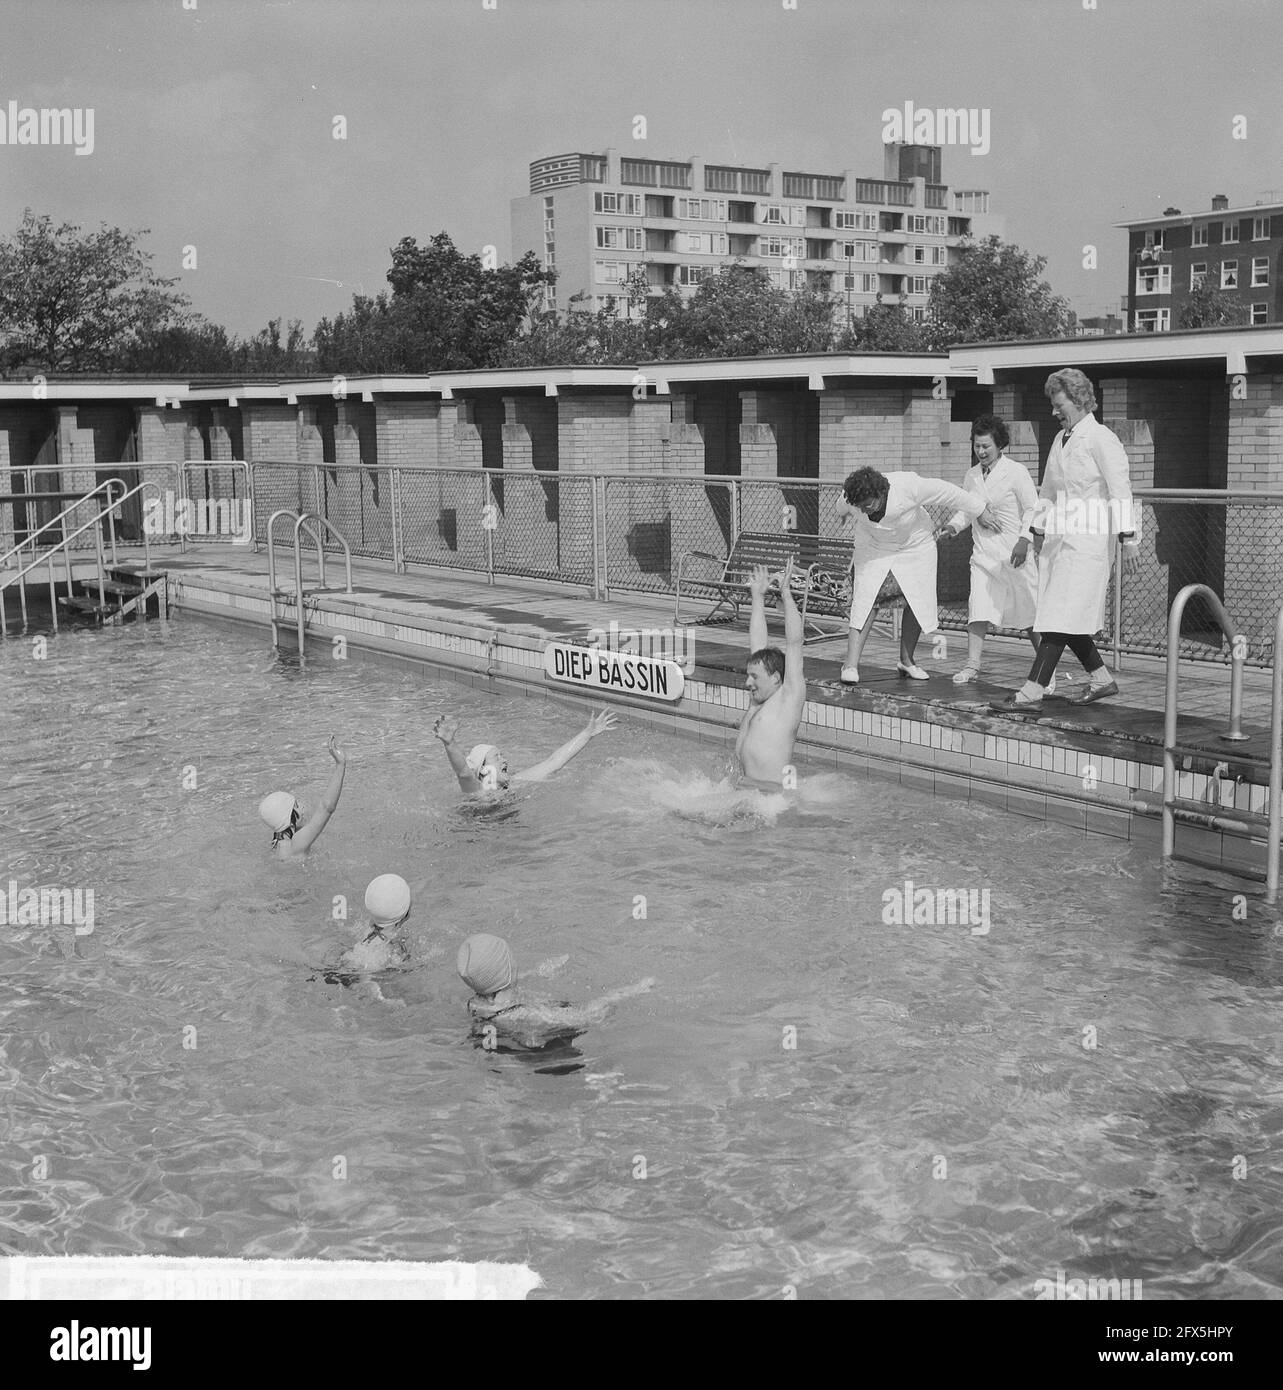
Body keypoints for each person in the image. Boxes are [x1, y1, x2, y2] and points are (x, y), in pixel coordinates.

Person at [990, 369, 1142, 711]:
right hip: (1060, 541)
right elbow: (1048, 492)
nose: (1054, 411)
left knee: (1059, 616)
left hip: (1088, 544)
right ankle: (1101, 679)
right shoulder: (1061, 439)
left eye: (1059, 405)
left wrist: (1129, 538)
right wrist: (1036, 531)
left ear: (1080, 400)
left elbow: (1121, 490)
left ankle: (1032, 690)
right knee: (1065, 614)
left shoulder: (1102, 438)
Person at [836, 467, 1000, 684]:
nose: (864, 511)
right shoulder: (850, 497)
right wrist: (843, 513)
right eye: (860, 507)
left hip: (914, 545)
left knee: (916, 598)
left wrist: (980, 510)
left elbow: (947, 492)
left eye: (868, 505)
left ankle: (906, 661)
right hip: (874, 547)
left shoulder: (907, 486)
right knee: (866, 599)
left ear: (880, 493)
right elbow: (841, 507)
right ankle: (850, 665)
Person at [937, 415, 1050, 689]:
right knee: (978, 608)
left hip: (1015, 555)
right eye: (977, 446)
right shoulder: (972, 475)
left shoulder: (1016, 472)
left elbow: (1034, 508)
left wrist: (1025, 540)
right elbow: (966, 509)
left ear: (999, 445)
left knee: (1030, 615)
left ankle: (1046, 672)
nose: (981, 451)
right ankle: (972, 665)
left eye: (986, 446)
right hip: (983, 555)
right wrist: (952, 527)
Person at [456, 932, 654, 1051]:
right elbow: (588, 1017)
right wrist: (627, 992)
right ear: (507, 971)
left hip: (500, 1038)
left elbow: (499, 982)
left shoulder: (476, 1003)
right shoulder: (524, 1014)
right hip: (542, 1053)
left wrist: (538, 972)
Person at [432, 708, 617, 796]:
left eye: (502, 756)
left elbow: (553, 763)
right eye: (497, 757)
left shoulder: (514, 783)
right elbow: (464, 773)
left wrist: (587, 734)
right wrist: (449, 743)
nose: (504, 760)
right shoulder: (478, 791)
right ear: (483, 769)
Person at [737, 560, 806, 787]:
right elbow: (758, 644)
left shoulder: (788, 700)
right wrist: (758, 597)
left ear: (776, 678)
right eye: (749, 675)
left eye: (754, 677)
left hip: (772, 796)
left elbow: (794, 643)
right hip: (748, 790)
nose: (748, 682)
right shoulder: (759, 699)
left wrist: (786, 595)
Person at [258, 736, 346, 860]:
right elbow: (326, 808)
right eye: (297, 806)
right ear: (288, 818)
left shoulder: (276, 845)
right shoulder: (296, 844)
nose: (302, 808)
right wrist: (340, 765)